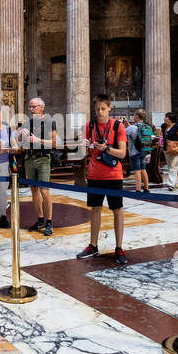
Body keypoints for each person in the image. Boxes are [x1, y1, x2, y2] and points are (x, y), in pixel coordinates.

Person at [76, 94, 129, 265]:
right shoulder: (89, 126)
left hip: (113, 175)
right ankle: (93, 245)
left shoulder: (117, 126)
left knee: (117, 210)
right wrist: (82, 145)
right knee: (95, 210)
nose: (100, 112)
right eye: (97, 109)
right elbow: (83, 153)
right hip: (94, 174)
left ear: (109, 107)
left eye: (103, 109)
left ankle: (119, 247)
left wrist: (106, 149)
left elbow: (122, 153)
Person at [22, 97, 57, 236]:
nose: (31, 109)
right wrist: (21, 136)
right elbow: (21, 142)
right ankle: (40, 219)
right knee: (34, 191)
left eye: (34, 107)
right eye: (30, 107)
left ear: (41, 107)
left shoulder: (49, 122)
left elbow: (54, 144)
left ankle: (49, 222)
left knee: (44, 191)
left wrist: (38, 140)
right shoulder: (28, 123)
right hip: (29, 158)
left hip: (43, 159)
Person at [126, 110, 155, 193]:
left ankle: (138, 189)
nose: (133, 117)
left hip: (134, 151)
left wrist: (121, 124)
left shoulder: (133, 127)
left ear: (137, 117)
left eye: (134, 115)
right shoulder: (147, 126)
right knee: (143, 169)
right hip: (144, 150)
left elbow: (123, 132)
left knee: (137, 170)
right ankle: (146, 188)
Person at [161, 112, 178, 191]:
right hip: (166, 148)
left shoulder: (177, 127)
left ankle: (170, 184)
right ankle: (175, 184)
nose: (164, 118)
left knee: (173, 166)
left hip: (176, 148)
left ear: (170, 119)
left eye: (166, 117)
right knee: (171, 166)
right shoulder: (163, 126)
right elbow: (163, 136)